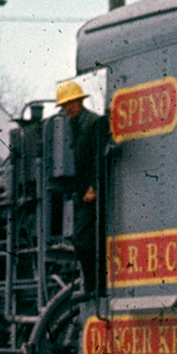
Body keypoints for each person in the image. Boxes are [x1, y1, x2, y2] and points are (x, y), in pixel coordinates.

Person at [55, 80, 110, 295]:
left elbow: (99, 157)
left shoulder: (94, 123)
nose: (69, 107)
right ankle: (91, 285)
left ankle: (95, 286)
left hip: (92, 192)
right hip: (82, 193)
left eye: (72, 103)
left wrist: (94, 187)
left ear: (80, 101)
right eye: (65, 105)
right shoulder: (75, 125)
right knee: (82, 241)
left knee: (84, 241)